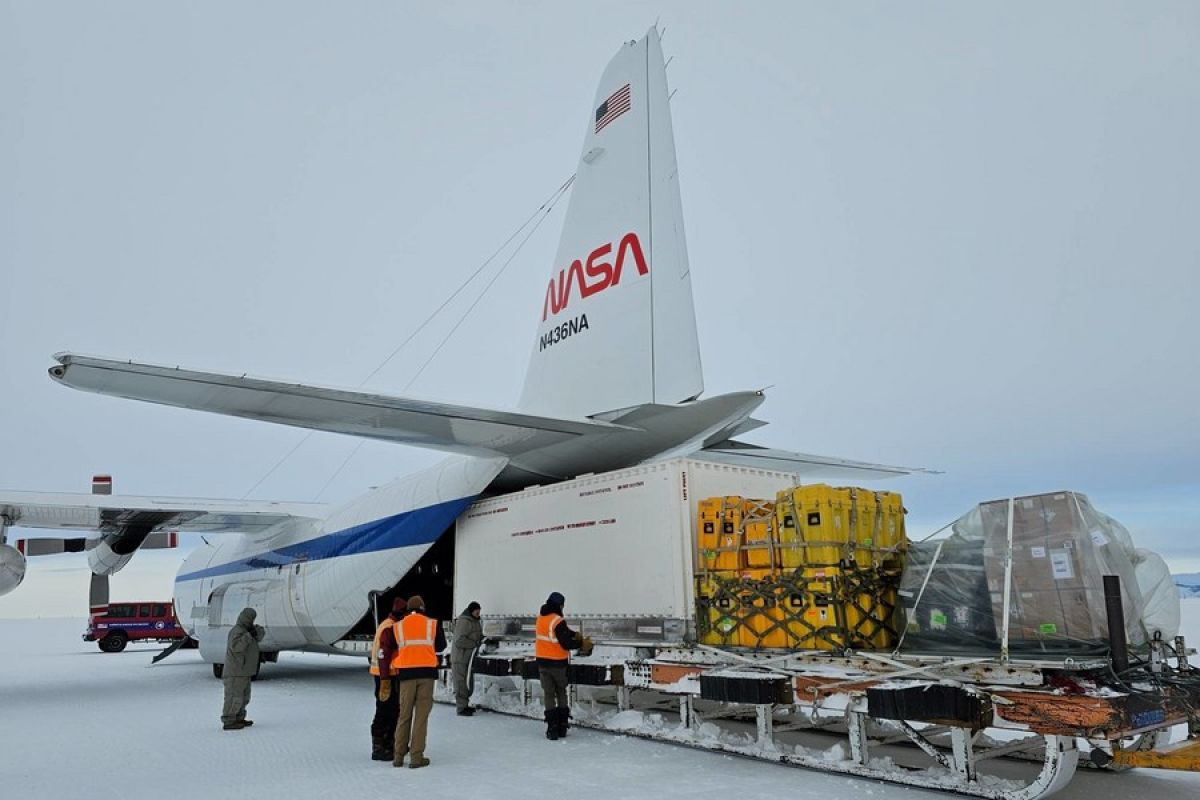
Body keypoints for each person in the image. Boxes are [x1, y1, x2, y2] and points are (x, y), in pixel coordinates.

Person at [392, 595, 446, 769]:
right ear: (423, 607)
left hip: (406, 675)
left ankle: (398, 756)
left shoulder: (398, 626)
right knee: (421, 717)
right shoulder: (432, 624)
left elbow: (396, 646)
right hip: (427, 674)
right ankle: (416, 757)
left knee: (404, 715)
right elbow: (440, 646)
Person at [535, 591, 593, 740]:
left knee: (548, 694)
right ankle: (562, 726)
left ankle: (551, 728)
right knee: (561, 692)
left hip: (542, 663)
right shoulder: (558, 620)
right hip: (557, 664)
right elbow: (565, 642)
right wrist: (581, 643)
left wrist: (573, 633)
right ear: (559, 605)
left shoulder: (541, 619)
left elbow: (560, 633)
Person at [369, 597, 406, 760]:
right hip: (385, 676)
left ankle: (387, 743)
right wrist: (385, 680)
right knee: (384, 711)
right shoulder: (389, 628)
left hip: (386, 675)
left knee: (391, 711)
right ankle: (379, 747)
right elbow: (383, 655)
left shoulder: (387, 625)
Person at [221, 607, 264, 730]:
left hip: (244, 671)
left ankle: (239, 717)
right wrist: (248, 636)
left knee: (244, 697)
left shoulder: (247, 630)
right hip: (235, 671)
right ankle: (229, 720)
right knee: (234, 696)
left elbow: (260, 636)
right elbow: (236, 647)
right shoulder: (237, 631)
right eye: (251, 618)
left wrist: (255, 631)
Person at [451, 601, 483, 715]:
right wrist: (474, 643)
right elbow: (459, 640)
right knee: (460, 683)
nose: (478, 613)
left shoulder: (475, 621)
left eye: (479, 611)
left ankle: (465, 705)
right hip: (460, 658)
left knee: (466, 683)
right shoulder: (464, 622)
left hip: (467, 659)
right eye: (476, 611)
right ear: (471, 611)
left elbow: (476, 635)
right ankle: (461, 708)